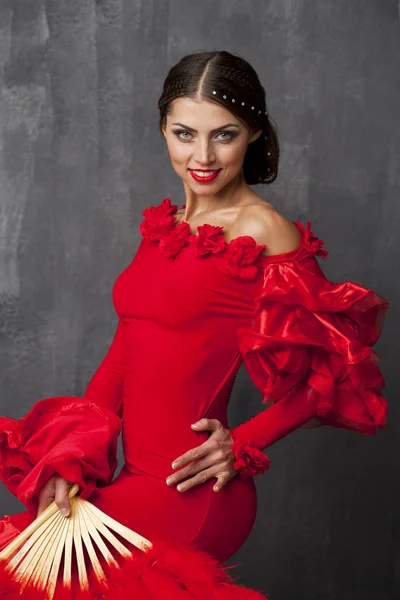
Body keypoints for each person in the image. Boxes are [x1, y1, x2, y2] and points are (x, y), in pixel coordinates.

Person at [0, 50, 388, 598]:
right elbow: (120, 358)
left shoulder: (264, 229)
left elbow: (338, 372)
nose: (202, 155)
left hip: (194, 490)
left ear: (254, 132)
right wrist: (73, 460)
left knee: (23, 573)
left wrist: (244, 441)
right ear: (163, 129)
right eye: (185, 133)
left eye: (223, 135)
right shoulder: (164, 227)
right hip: (132, 480)